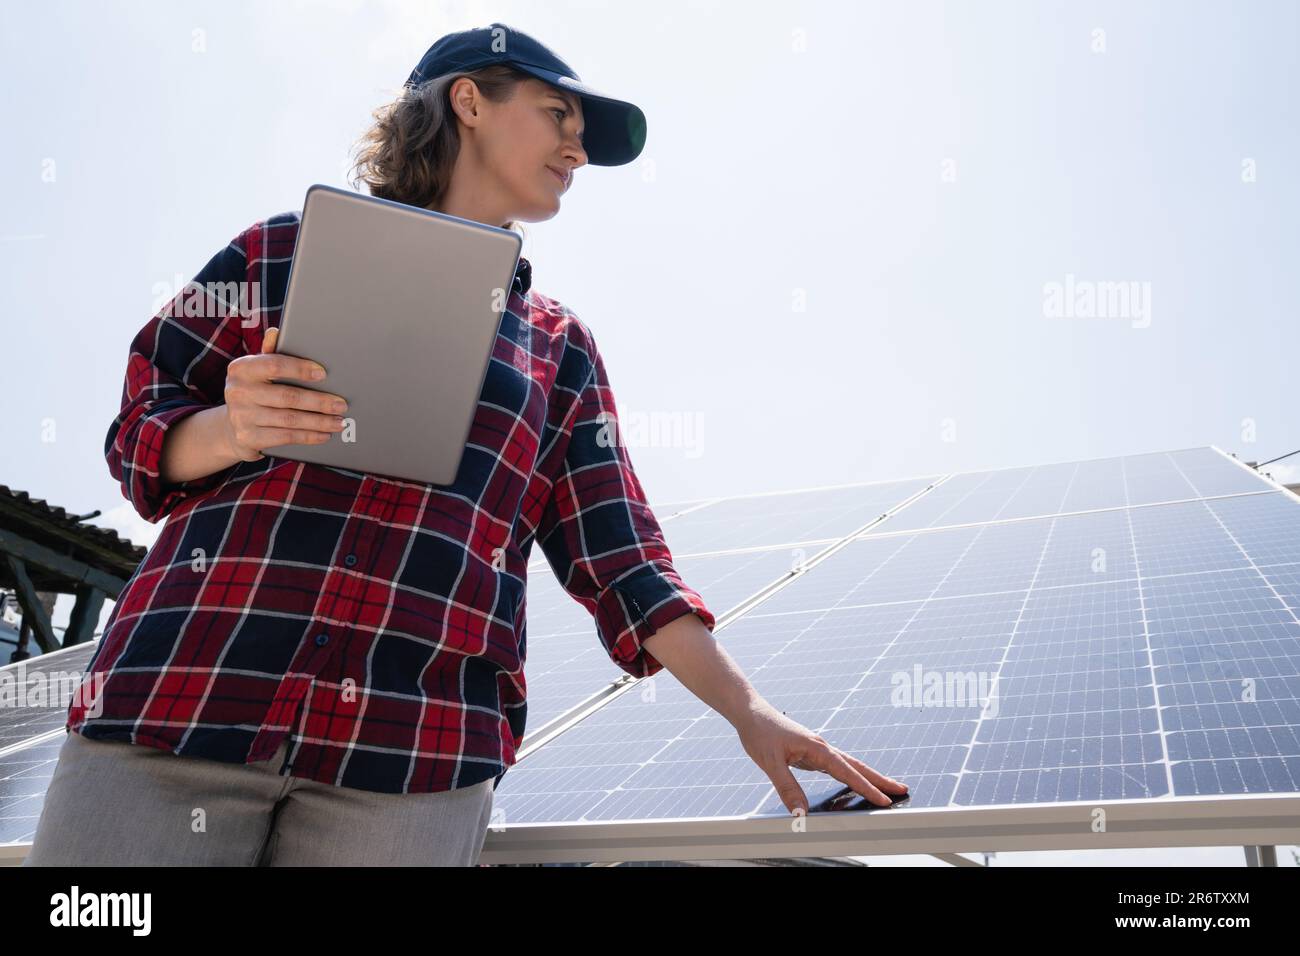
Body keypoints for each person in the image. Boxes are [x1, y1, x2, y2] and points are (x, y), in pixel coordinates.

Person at [25, 22, 906, 867]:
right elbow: (139, 425)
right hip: (184, 705)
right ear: (470, 102)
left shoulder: (558, 348)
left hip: (413, 767)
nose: (578, 150)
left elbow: (624, 558)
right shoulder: (278, 254)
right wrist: (230, 428)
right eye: (560, 116)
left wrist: (749, 711)